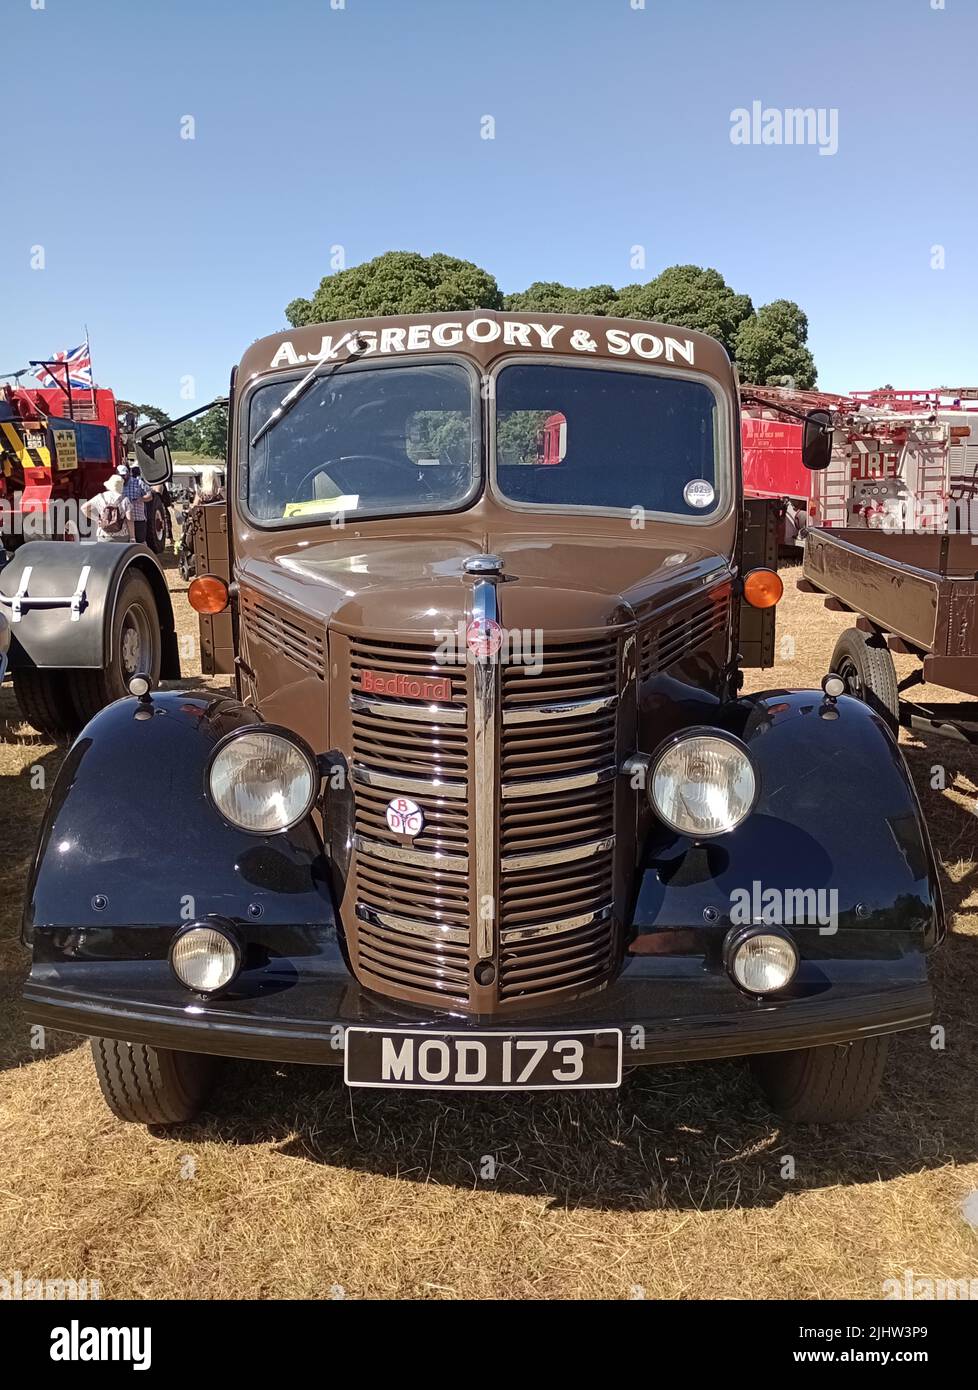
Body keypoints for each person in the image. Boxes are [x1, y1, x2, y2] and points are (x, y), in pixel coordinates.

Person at [82, 473, 135, 543]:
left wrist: (97, 519)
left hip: (103, 535)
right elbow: (129, 519)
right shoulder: (125, 499)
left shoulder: (100, 497)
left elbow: (84, 508)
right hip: (122, 536)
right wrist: (132, 537)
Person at [119, 462, 153, 544]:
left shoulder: (138, 483)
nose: (123, 477)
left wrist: (140, 499)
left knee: (141, 543)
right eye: (121, 476)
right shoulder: (118, 485)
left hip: (138, 519)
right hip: (124, 521)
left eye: (124, 475)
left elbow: (150, 496)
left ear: (128, 473)